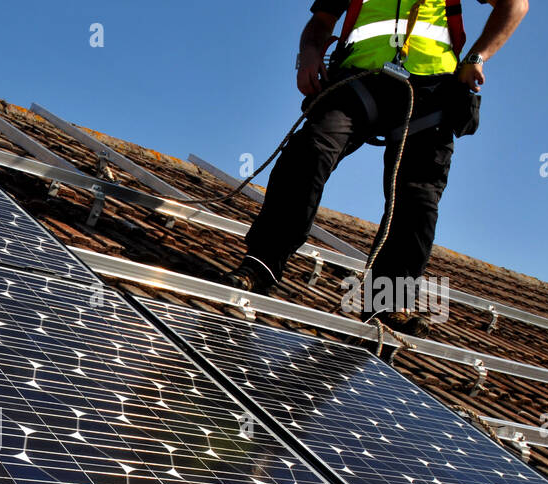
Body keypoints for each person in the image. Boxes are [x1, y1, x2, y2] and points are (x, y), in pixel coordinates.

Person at [220, 0, 529, 337]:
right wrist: (308, 55)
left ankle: (389, 304)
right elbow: (320, 22)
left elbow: (516, 4)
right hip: (359, 81)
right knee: (309, 151)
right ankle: (262, 264)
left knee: (418, 196)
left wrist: (476, 57)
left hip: (431, 92)